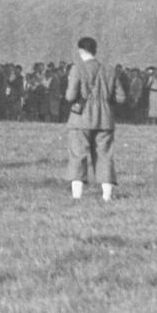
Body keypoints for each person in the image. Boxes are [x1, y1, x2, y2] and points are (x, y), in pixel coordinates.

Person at [65, 35, 119, 201]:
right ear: (95, 50)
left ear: (80, 50)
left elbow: (70, 96)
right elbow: (121, 97)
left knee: (78, 155)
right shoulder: (110, 70)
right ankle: (107, 196)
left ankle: (77, 196)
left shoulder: (77, 69)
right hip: (105, 119)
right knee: (104, 156)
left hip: (80, 119)